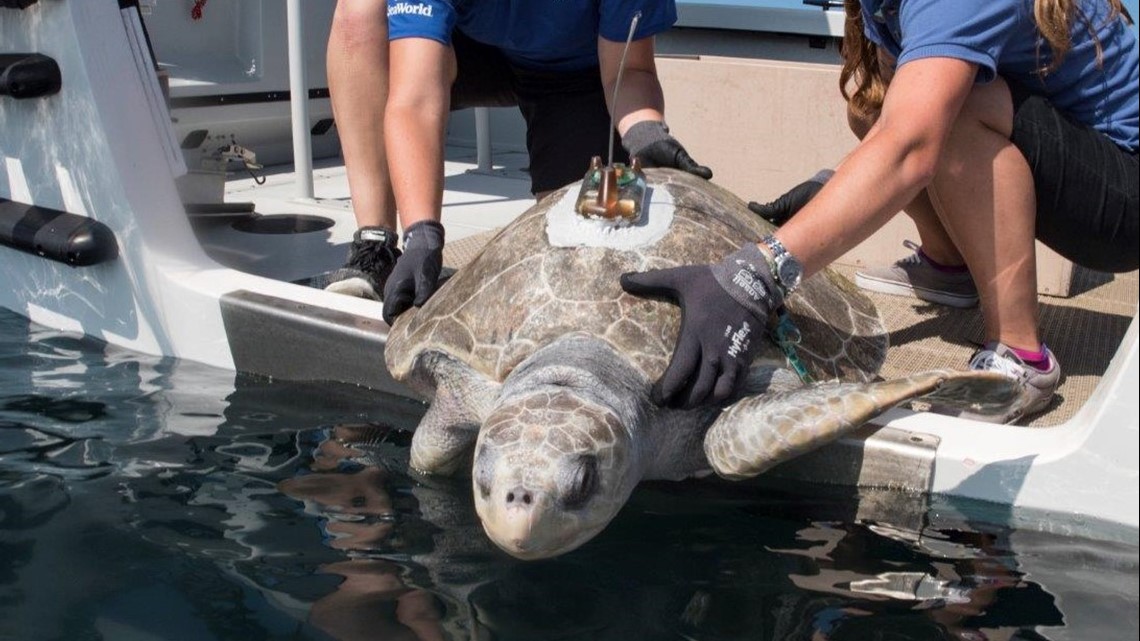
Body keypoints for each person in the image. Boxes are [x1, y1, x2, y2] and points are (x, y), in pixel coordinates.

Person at [622, 0, 1138, 423]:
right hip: (1082, 170)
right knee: (874, 103)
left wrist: (757, 274)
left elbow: (913, 146)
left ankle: (1022, 357)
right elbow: (897, 123)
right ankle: (950, 266)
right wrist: (834, 188)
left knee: (952, 114)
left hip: (1125, 203)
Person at [320, 0, 711, 325]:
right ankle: (377, 246)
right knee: (361, 12)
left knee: (579, 265)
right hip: (464, 47)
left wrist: (646, 135)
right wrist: (422, 234)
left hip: (573, 72)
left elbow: (631, 71)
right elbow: (415, 97)